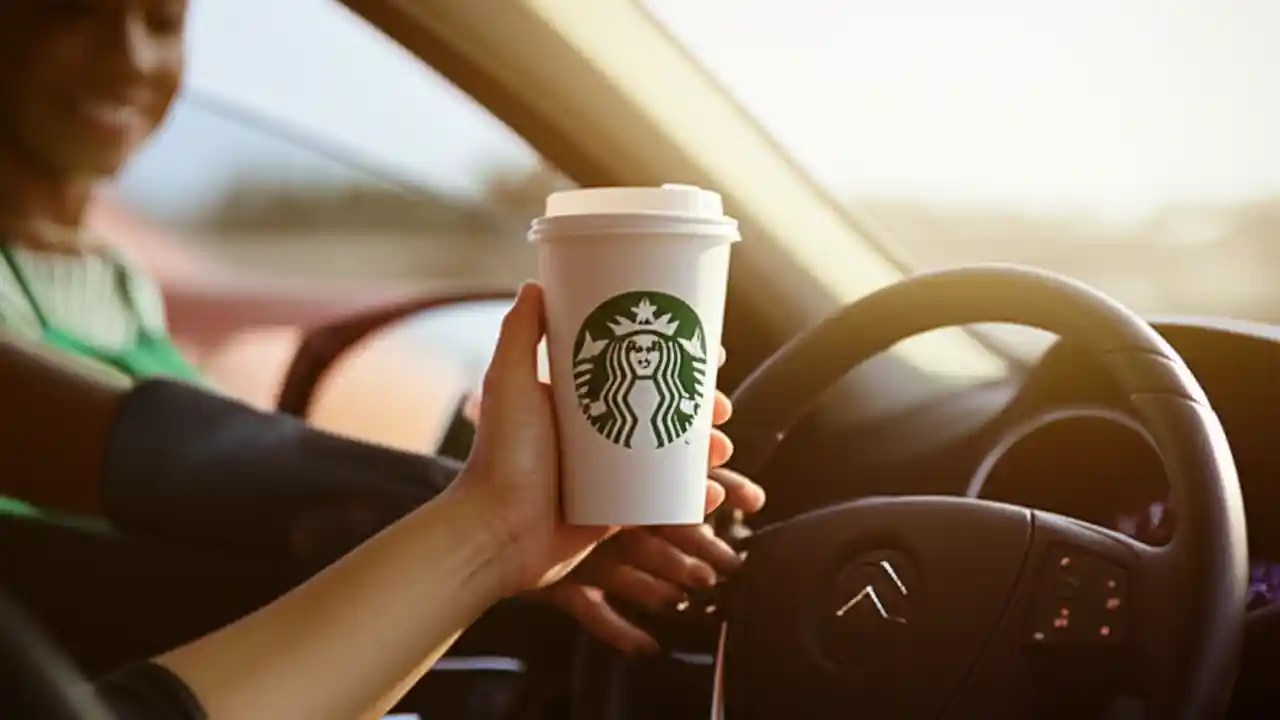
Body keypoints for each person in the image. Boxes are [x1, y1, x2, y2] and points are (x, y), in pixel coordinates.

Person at [0, 0, 764, 671]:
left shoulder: (115, 276)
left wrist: (505, 517)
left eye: (162, 21)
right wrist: (469, 516)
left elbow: (193, 486)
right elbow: (90, 449)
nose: (130, 57)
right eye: (71, 10)